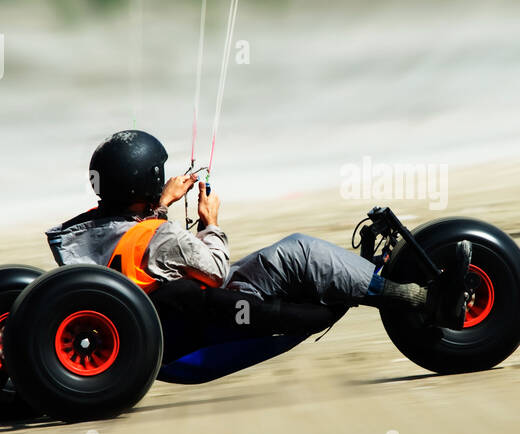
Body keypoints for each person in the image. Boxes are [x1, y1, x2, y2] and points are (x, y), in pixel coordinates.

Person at [45, 131, 471, 338]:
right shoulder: (162, 238)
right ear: (145, 185)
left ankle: (365, 276)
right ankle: (425, 300)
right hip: (211, 305)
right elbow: (214, 269)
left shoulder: (90, 234)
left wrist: (161, 207)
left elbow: (134, 249)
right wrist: (211, 222)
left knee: (292, 259)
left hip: (160, 312)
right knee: (298, 252)